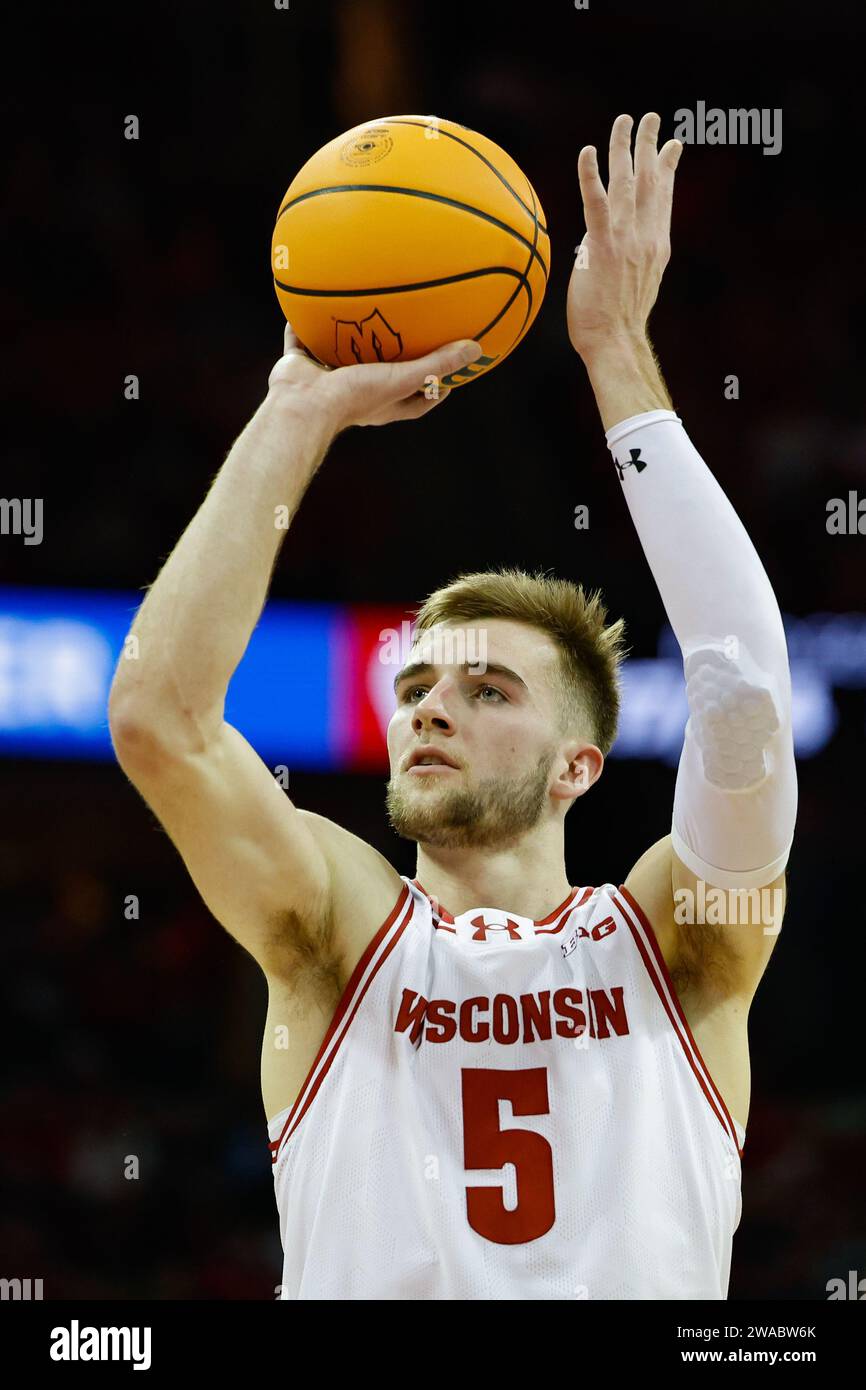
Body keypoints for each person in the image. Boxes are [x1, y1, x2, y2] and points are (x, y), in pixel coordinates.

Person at [108, 112, 797, 1299]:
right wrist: (295, 412)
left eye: (486, 688)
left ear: (581, 763)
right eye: (416, 684)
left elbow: (740, 693)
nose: (430, 709)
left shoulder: (677, 944)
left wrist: (619, 360)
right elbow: (160, 724)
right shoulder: (336, 934)